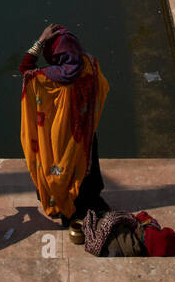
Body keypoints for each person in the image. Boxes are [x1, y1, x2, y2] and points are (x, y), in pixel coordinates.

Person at [20, 24, 109, 244]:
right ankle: (89, 204)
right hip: (86, 133)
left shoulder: (52, 78)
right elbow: (104, 87)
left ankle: (65, 206)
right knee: (86, 169)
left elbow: (25, 68)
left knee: (61, 167)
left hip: (61, 136)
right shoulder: (90, 63)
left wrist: (39, 42)